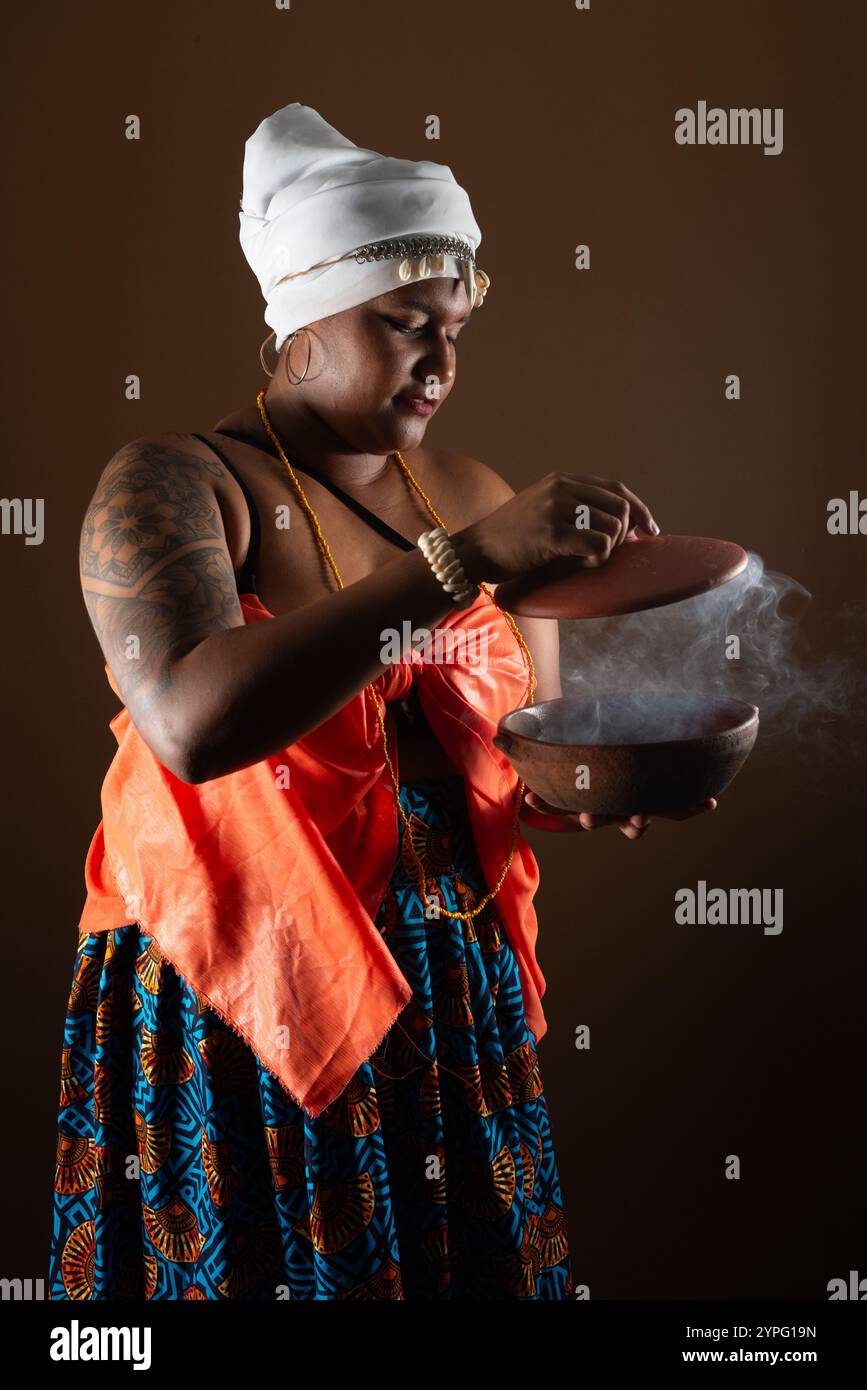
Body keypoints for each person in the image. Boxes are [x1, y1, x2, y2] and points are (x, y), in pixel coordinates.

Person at [48, 102, 713, 1301]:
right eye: (406, 324)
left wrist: (602, 781)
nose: (441, 361)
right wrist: (467, 559)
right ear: (304, 313)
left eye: (455, 328)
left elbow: (519, 747)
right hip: (243, 983)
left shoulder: (465, 486)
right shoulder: (176, 483)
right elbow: (193, 726)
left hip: (449, 980)